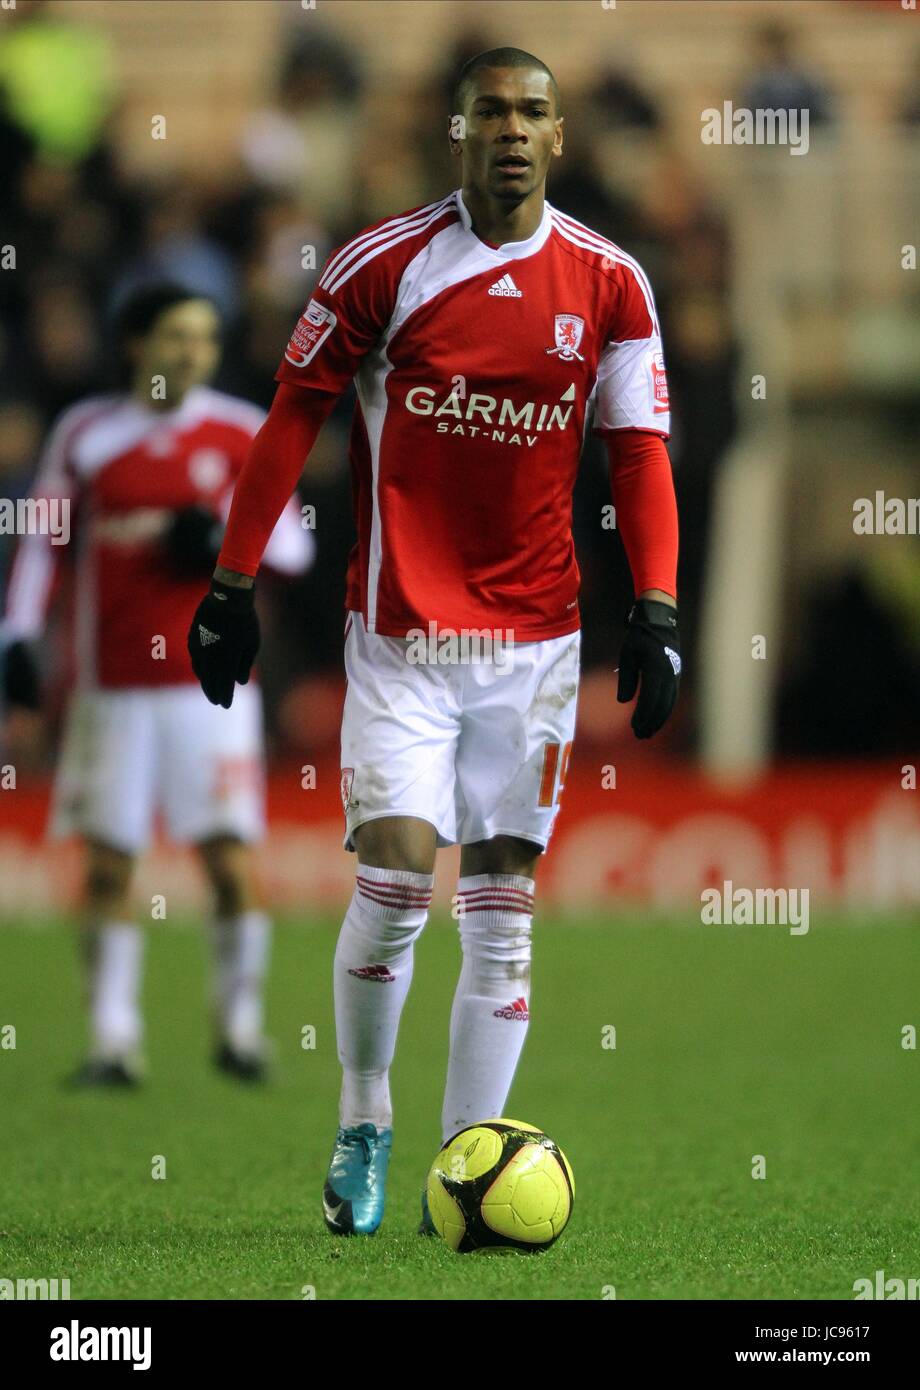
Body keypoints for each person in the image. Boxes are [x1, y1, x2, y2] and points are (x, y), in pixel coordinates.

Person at [188, 48, 680, 1234]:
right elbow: (289, 417)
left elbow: (637, 452)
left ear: (558, 136)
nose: (511, 131)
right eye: (491, 111)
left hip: (535, 645)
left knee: (501, 908)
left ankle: (461, 1164)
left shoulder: (608, 283)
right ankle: (365, 1119)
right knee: (400, 882)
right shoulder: (383, 264)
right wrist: (229, 583)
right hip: (401, 633)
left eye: (531, 114)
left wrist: (656, 610)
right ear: (456, 129)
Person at [1, 285, 312, 1085]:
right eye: (175, 336)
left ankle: (239, 1030)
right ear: (134, 343)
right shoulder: (87, 432)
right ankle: (111, 1040)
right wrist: (17, 632)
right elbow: (43, 536)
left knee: (228, 857)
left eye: (205, 339)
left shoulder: (243, 432)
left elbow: (295, 550)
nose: (191, 353)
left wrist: (218, 543)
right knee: (108, 862)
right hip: (110, 685)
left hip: (210, 686)